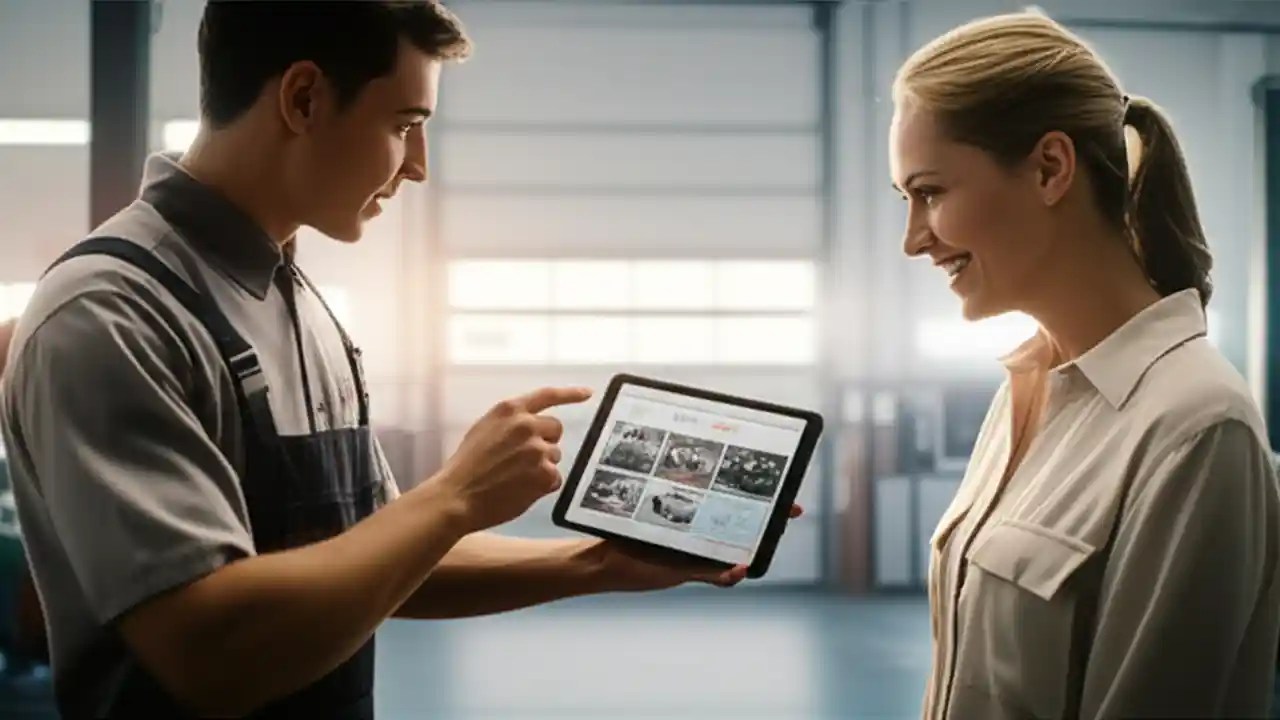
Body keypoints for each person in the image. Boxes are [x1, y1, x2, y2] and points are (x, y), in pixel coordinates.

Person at [0, 2, 800, 718]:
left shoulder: (300, 300)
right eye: (404, 123)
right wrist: (455, 494)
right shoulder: (110, 313)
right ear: (304, 98)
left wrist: (596, 563)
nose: (417, 165)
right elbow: (212, 656)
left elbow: (379, 551)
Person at [890, 11, 1280, 719]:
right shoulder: (1022, 395)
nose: (914, 239)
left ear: (1050, 168)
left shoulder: (1195, 426)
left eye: (931, 193)